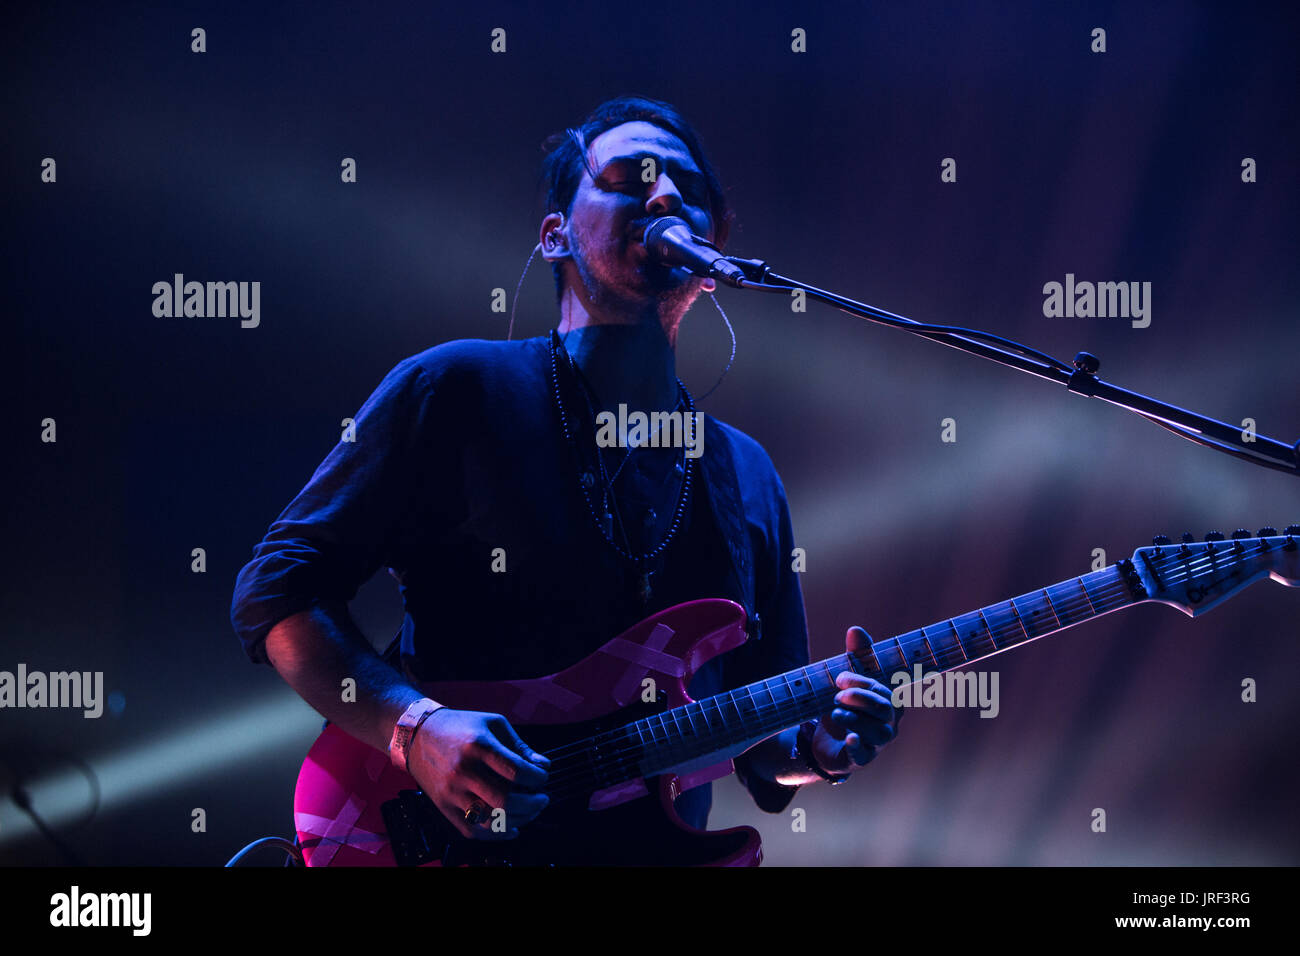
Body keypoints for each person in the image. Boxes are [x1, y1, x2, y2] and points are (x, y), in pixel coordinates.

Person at [230, 95, 901, 860]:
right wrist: (411, 729)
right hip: (429, 835)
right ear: (555, 235)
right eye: (630, 179)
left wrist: (821, 748)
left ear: (713, 259)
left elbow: (763, 742)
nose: (666, 194)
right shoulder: (457, 391)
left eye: (687, 186)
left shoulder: (745, 475)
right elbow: (276, 590)